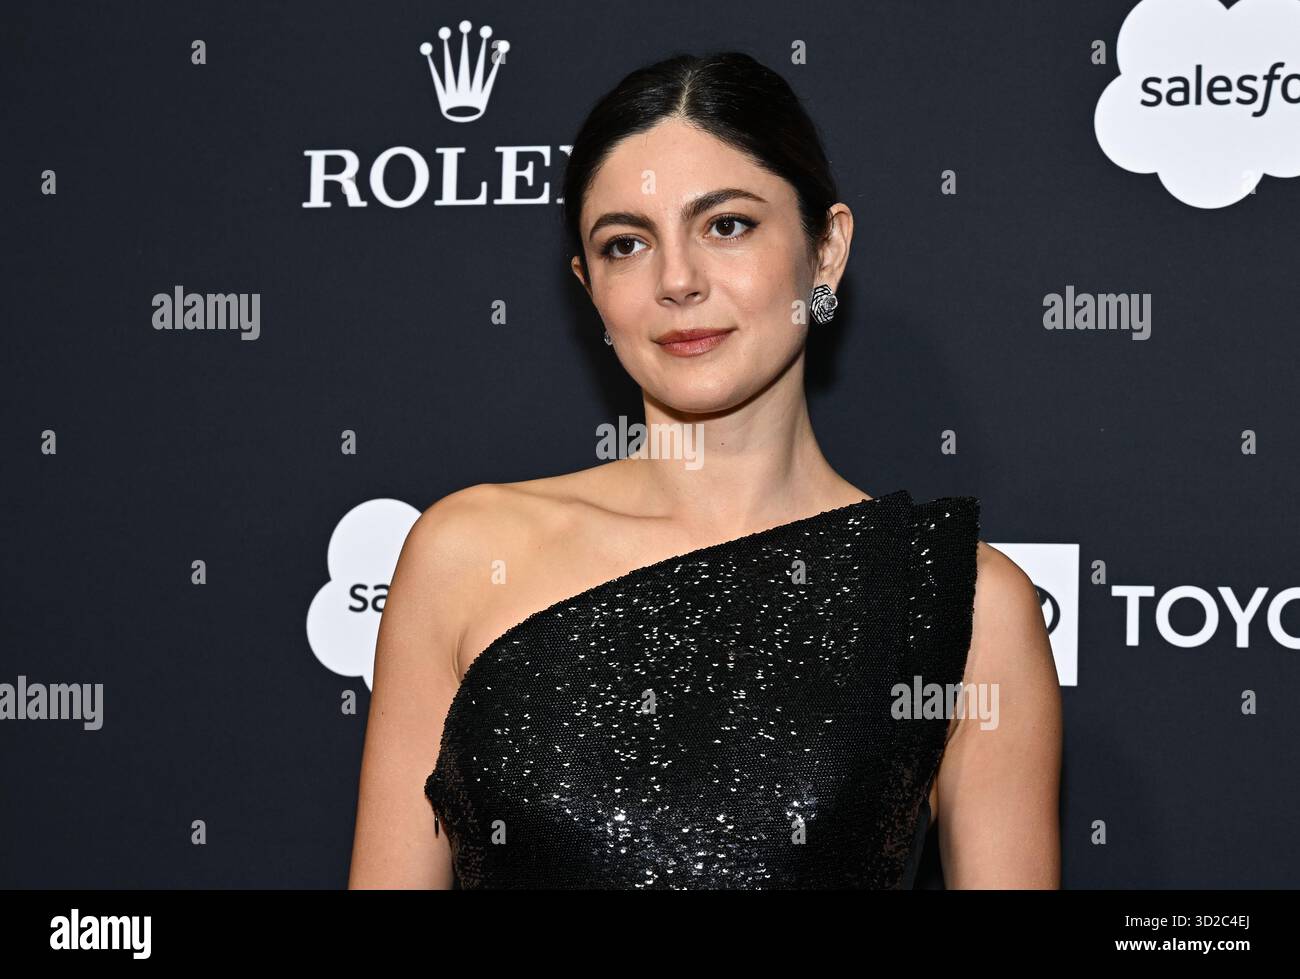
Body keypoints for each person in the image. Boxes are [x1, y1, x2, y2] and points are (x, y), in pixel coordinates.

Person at [348, 51, 1061, 889]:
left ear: (825, 250)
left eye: (726, 225)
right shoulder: (463, 555)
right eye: (625, 244)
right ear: (589, 287)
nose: (676, 281)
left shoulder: (957, 603)